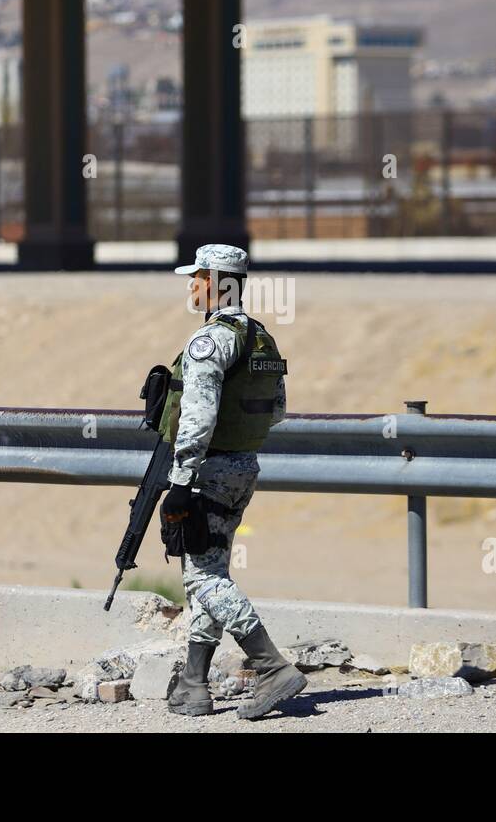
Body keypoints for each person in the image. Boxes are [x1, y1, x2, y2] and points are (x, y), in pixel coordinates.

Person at [156, 243, 306, 719]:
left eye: (196, 277)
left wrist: (181, 480)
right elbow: (277, 411)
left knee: (204, 576)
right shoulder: (260, 338)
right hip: (242, 467)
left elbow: (196, 418)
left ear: (219, 281)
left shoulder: (210, 342)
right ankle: (194, 684)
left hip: (207, 470)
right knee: (209, 571)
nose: (190, 286)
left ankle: (271, 665)